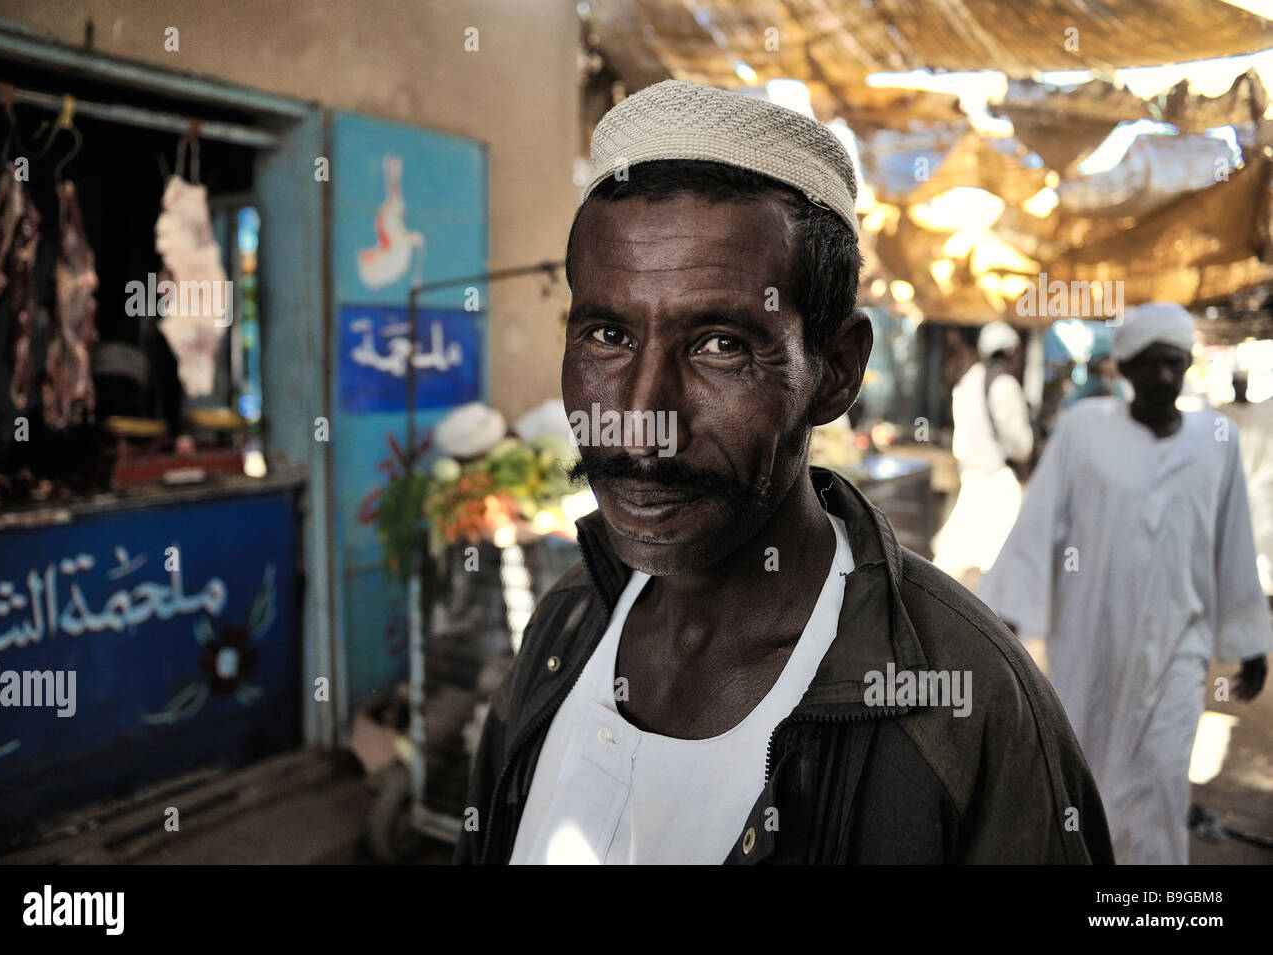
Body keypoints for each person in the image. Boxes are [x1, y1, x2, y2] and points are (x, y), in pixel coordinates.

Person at [455, 79, 1111, 865]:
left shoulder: (964, 710)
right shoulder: (567, 624)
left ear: (835, 370)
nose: (641, 421)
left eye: (720, 345)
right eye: (606, 335)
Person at [977, 301, 1271, 865]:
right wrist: (1006, 614)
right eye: (1148, 364)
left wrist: (1248, 638)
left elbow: (1232, 544)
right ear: (1127, 368)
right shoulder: (1085, 431)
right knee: (1085, 779)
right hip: (1091, 645)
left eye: (1172, 363)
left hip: (1180, 653)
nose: (1161, 377)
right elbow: (1039, 524)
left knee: (1161, 782)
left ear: (1187, 365)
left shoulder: (1217, 440)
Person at [931, 321, 1033, 581]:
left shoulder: (968, 380)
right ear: (1009, 351)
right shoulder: (1004, 384)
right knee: (993, 559)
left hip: (972, 472)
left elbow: (960, 438)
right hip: (996, 476)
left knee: (959, 556)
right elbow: (1020, 443)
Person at [1219, 370, 1273, 600]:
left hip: (1263, 490)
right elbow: (1218, 449)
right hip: (1233, 489)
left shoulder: (1264, 411)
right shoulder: (1221, 415)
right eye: (1236, 383)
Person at [1060, 339, 1128, 410]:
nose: (1106, 369)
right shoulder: (1095, 384)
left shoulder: (1123, 383)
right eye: (1101, 368)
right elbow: (1069, 404)